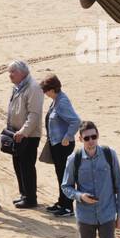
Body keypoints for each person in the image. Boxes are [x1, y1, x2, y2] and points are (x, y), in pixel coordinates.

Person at [40, 74, 82, 217]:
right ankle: (61, 202)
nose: (45, 93)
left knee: (65, 176)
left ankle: (68, 207)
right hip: (56, 144)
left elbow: (76, 121)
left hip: (63, 145)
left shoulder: (62, 102)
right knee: (61, 175)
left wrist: (68, 136)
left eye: (46, 90)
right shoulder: (56, 100)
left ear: (53, 89)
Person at [5, 60, 44, 210]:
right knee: (18, 165)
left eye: (12, 72)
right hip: (16, 133)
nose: (10, 75)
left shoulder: (33, 88)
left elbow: (34, 114)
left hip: (29, 135)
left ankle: (30, 198)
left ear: (22, 73)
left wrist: (24, 132)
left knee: (27, 166)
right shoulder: (17, 87)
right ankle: (24, 195)